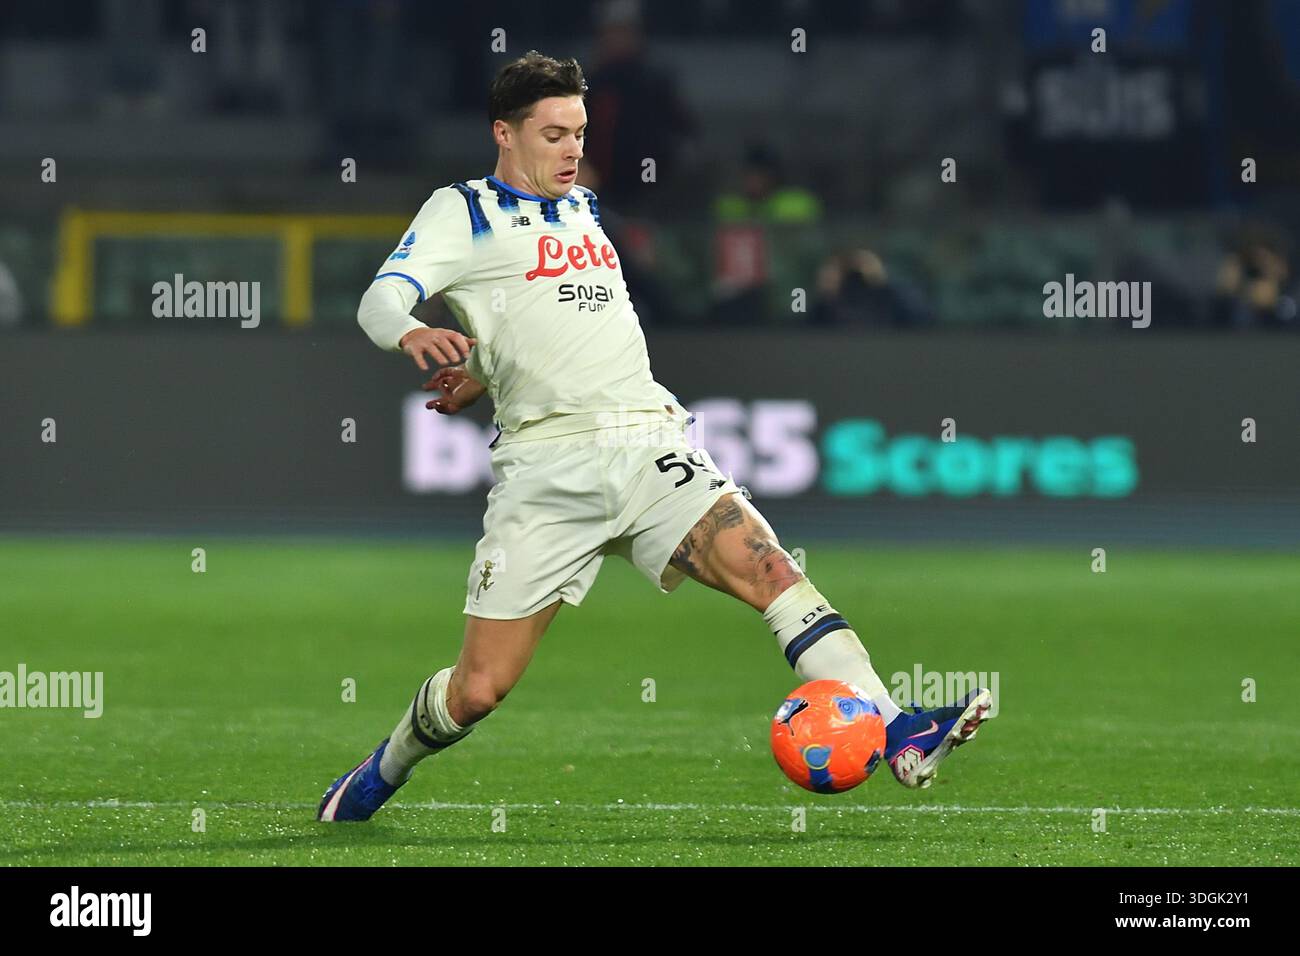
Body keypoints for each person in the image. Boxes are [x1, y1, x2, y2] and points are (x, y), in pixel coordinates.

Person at [317, 51, 992, 822]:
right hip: (547, 468)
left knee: (769, 568)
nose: (572, 150)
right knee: (479, 690)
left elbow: (551, 318)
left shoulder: (584, 207)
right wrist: (411, 334)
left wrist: (488, 368)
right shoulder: (462, 211)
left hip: (647, 442)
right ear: (503, 133)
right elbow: (380, 299)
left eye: (577, 132)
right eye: (552, 135)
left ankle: (900, 728)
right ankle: (386, 766)